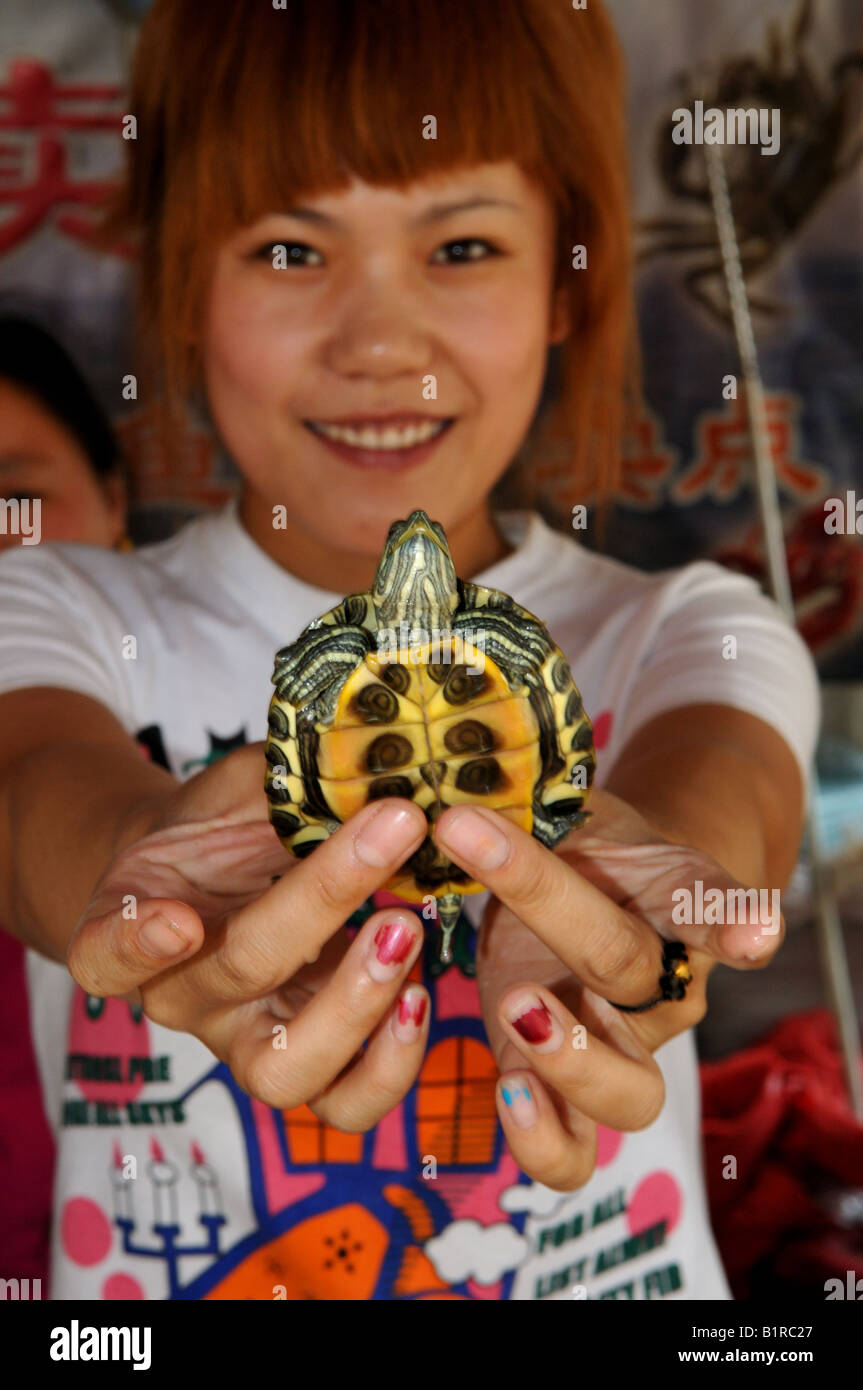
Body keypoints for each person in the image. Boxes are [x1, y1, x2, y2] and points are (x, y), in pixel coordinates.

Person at [0, 0, 819, 1301]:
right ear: (180, 289)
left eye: (463, 244)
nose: (379, 345)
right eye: (286, 248)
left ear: (565, 282)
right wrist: (141, 877)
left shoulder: (689, 624)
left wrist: (665, 901)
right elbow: (35, 790)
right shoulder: (54, 611)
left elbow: (725, 792)